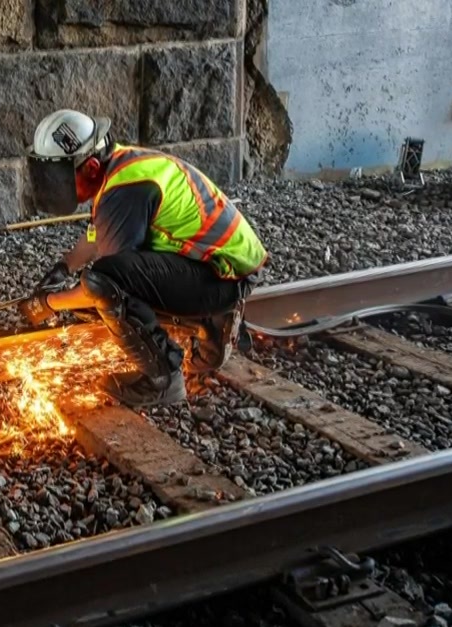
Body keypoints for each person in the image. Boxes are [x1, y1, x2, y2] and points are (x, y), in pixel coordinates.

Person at [17, 109, 270, 407]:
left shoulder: (124, 191)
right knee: (102, 293)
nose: (55, 185)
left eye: (60, 178)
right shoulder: (122, 166)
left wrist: (48, 303)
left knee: (104, 286)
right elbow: (97, 236)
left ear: (91, 168)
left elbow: (108, 282)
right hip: (219, 267)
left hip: (223, 276)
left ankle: (163, 379)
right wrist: (63, 268)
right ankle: (209, 323)